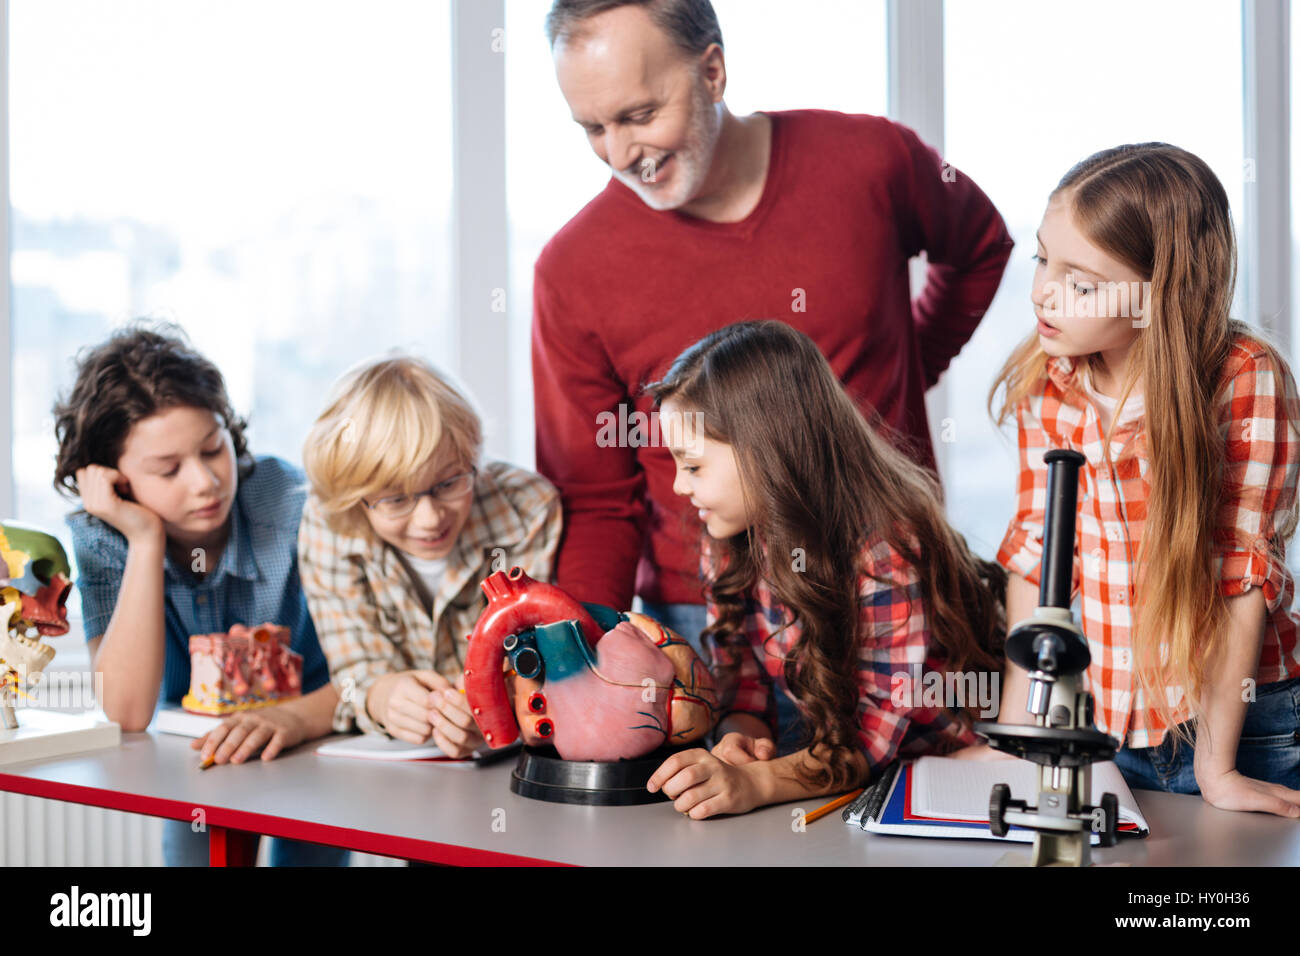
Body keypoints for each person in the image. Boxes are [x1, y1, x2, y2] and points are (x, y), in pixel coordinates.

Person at [532, 0, 1013, 648]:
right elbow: (596, 503)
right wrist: (579, 656)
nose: (620, 153)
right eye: (592, 127)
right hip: (706, 629)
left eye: (640, 115)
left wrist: (903, 368)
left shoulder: (871, 161)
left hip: (897, 598)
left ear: (713, 72)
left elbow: (980, 247)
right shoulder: (572, 269)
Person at [988, 143, 1300, 816]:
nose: (1043, 291)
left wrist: (1216, 770)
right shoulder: (1047, 380)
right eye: (1043, 258)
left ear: (1159, 295)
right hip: (1108, 721)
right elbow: (1037, 557)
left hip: (1242, 726)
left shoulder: (1245, 379)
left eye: (1081, 281)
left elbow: (1240, 577)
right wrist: (1020, 729)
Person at [643, 321, 1006, 818]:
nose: (681, 488)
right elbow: (743, 676)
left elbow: (876, 744)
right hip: (842, 766)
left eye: (694, 465)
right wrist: (739, 738)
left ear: (767, 452)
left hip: (945, 780)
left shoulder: (885, 551)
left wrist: (757, 783)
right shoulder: (731, 536)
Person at [55, 323, 349, 865]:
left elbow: (366, 674)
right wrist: (146, 540)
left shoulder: (295, 504)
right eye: (168, 469)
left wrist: (296, 718)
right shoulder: (103, 537)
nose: (205, 482)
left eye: (213, 450)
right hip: (194, 760)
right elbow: (124, 712)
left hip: (314, 737)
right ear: (113, 480)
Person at [298, 355, 561, 753]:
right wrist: (382, 696)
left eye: (448, 483)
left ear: (472, 457)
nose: (429, 518)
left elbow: (546, 657)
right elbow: (355, 670)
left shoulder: (527, 509)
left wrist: (495, 708)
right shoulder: (328, 521)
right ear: (355, 499)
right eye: (396, 499)